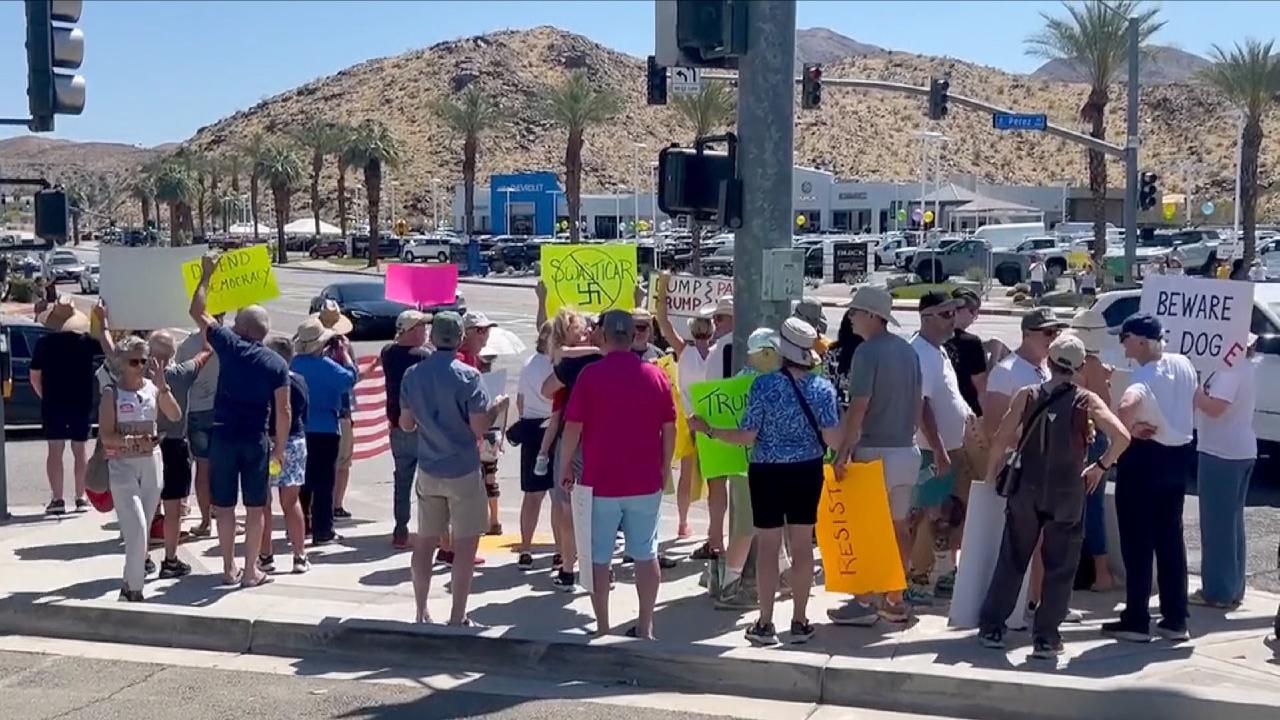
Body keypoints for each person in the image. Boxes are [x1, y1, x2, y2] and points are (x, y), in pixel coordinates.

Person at [978, 335, 1130, 658]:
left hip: (1026, 490)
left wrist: (991, 477)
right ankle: (1046, 637)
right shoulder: (1086, 401)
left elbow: (1001, 438)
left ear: (1049, 360)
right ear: (1077, 368)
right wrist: (1099, 467)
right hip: (1067, 491)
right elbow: (1122, 436)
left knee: (1013, 557)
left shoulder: (1027, 395)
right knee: (1060, 565)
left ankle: (992, 626)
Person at [693, 319, 840, 646]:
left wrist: (710, 430)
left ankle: (765, 622)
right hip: (807, 470)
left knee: (769, 547)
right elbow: (833, 437)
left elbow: (747, 435)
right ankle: (800, 621)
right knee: (802, 546)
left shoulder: (763, 386)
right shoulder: (823, 389)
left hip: (766, 472)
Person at [559, 310, 676, 638]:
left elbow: (572, 429)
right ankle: (646, 625)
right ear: (633, 337)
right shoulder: (655, 376)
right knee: (645, 552)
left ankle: (603, 627)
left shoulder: (590, 376)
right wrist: (665, 467)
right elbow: (670, 428)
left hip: (601, 483)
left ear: (605, 336)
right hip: (645, 482)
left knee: (599, 558)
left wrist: (565, 465)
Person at [400, 312, 509, 626]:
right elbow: (478, 427)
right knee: (464, 547)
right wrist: (497, 408)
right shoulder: (469, 376)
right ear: (460, 338)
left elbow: (406, 425)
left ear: (433, 339)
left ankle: (421, 611)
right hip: (462, 468)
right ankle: (457, 616)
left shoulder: (412, 374)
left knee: (424, 543)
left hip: (429, 468)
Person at [189, 254, 291, 589]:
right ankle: (251, 571)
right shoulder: (276, 364)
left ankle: (228, 569)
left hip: (223, 435)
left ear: (243, 329)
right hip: (256, 439)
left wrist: (206, 274)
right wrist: (279, 448)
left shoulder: (229, 344)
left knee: (225, 506)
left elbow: (197, 312)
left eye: (236, 322)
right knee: (256, 506)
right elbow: (284, 410)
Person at [92, 306, 213, 579]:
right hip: (174, 447)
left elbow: (110, 349)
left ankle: (143, 556)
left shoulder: (133, 374)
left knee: (146, 509)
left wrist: (104, 323)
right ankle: (170, 559)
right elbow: (205, 354)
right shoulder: (180, 374)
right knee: (173, 509)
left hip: (142, 453)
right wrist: (209, 329)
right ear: (171, 355)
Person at [829, 286, 922, 626]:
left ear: (871, 316)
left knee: (867, 531)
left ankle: (865, 602)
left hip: (874, 450)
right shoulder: (907, 351)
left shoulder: (867, 353)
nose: (850, 317)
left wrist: (843, 452)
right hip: (905, 450)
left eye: (855, 312)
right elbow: (917, 403)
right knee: (900, 528)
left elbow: (858, 407)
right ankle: (894, 600)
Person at [1106, 313, 1198, 643]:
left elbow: (1128, 406)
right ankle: (1175, 618)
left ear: (1142, 341)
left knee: (1138, 542)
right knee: (1171, 540)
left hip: (1145, 457)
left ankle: (1137, 618)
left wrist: (1124, 430)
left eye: (1126, 337)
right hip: (1179, 456)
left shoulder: (1141, 377)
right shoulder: (1183, 364)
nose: (1122, 344)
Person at [98, 336, 182, 601]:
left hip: (151, 464)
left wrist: (163, 387)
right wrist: (132, 441)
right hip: (122, 465)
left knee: (143, 527)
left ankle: (128, 582)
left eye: (143, 362)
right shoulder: (111, 393)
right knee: (135, 527)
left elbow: (175, 415)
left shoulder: (152, 389)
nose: (139, 366)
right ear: (121, 363)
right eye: (133, 361)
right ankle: (134, 588)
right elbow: (106, 436)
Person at [905, 291, 974, 607]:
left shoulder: (939, 351)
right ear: (927, 317)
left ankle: (943, 572)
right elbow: (921, 407)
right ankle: (917, 577)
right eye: (947, 315)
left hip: (953, 447)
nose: (954, 321)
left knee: (949, 514)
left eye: (955, 313)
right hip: (933, 451)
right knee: (928, 515)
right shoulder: (919, 353)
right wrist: (939, 449)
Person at [1192, 334, 1258, 608]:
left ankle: (1218, 591)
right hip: (1237, 450)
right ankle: (1232, 587)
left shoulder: (1230, 369)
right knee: (1231, 524)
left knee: (1217, 524)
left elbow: (1215, 407)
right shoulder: (1243, 367)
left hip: (1222, 453)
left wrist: (1193, 390)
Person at [540, 310, 605, 589]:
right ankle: (598, 570)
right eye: (582, 327)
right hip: (601, 438)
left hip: (573, 437)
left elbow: (546, 389)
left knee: (568, 506)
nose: (587, 330)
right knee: (598, 508)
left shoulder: (571, 363)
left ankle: (569, 568)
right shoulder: (607, 356)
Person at [655, 280, 715, 539]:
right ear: (712, 330)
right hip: (712, 417)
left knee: (686, 475)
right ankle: (714, 526)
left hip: (688, 419)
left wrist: (663, 293)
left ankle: (682, 522)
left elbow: (664, 324)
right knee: (715, 476)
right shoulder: (718, 352)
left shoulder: (683, 350)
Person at [291, 318, 358, 548]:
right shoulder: (327, 366)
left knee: (302, 481)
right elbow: (350, 378)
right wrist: (346, 354)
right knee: (324, 482)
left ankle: (302, 525)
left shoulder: (293, 364)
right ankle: (323, 530)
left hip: (300, 428)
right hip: (326, 428)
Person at [30, 297, 99, 515]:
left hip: (54, 402)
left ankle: (58, 498)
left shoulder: (44, 343)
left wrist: (45, 396)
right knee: (80, 450)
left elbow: (34, 376)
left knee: (55, 451)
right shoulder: (86, 342)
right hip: (81, 401)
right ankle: (80, 497)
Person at [1068, 309, 1117, 592]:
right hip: (1092, 437)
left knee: (1084, 507)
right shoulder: (1093, 364)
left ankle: (1098, 571)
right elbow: (1105, 405)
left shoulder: (1074, 363)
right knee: (1091, 506)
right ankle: (1100, 572)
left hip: (1078, 438)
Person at [381, 310, 432, 549]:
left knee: (402, 480)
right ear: (411, 331)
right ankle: (429, 530)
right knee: (428, 482)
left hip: (397, 425)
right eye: (421, 327)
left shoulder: (388, 352)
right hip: (421, 427)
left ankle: (400, 529)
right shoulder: (422, 356)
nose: (426, 331)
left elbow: (394, 345)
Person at [262, 336, 312, 574]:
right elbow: (304, 413)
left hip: (270, 442)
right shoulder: (300, 381)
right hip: (294, 441)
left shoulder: (263, 383)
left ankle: (265, 555)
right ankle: (299, 555)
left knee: (263, 502)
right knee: (291, 501)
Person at [697, 297, 739, 563]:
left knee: (717, 487)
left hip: (717, 422)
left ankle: (716, 541)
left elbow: (708, 385)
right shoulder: (753, 345)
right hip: (746, 425)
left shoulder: (718, 350)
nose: (715, 323)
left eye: (720, 318)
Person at [176, 313, 224, 537]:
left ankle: (206, 521)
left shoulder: (187, 345)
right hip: (225, 410)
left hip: (197, 409)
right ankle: (224, 517)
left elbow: (180, 379)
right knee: (225, 467)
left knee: (203, 469)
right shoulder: (232, 340)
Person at [514, 321, 556, 570]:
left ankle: (526, 547)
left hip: (530, 428)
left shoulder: (528, 364)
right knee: (560, 497)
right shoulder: (556, 366)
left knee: (532, 496)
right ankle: (561, 551)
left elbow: (520, 401)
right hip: (553, 427)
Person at [311, 300, 357, 521]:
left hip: (315, 415)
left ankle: (319, 506)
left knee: (323, 465)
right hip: (338, 412)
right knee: (340, 463)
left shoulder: (306, 345)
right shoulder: (342, 349)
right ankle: (334, 505)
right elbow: (350, 377)